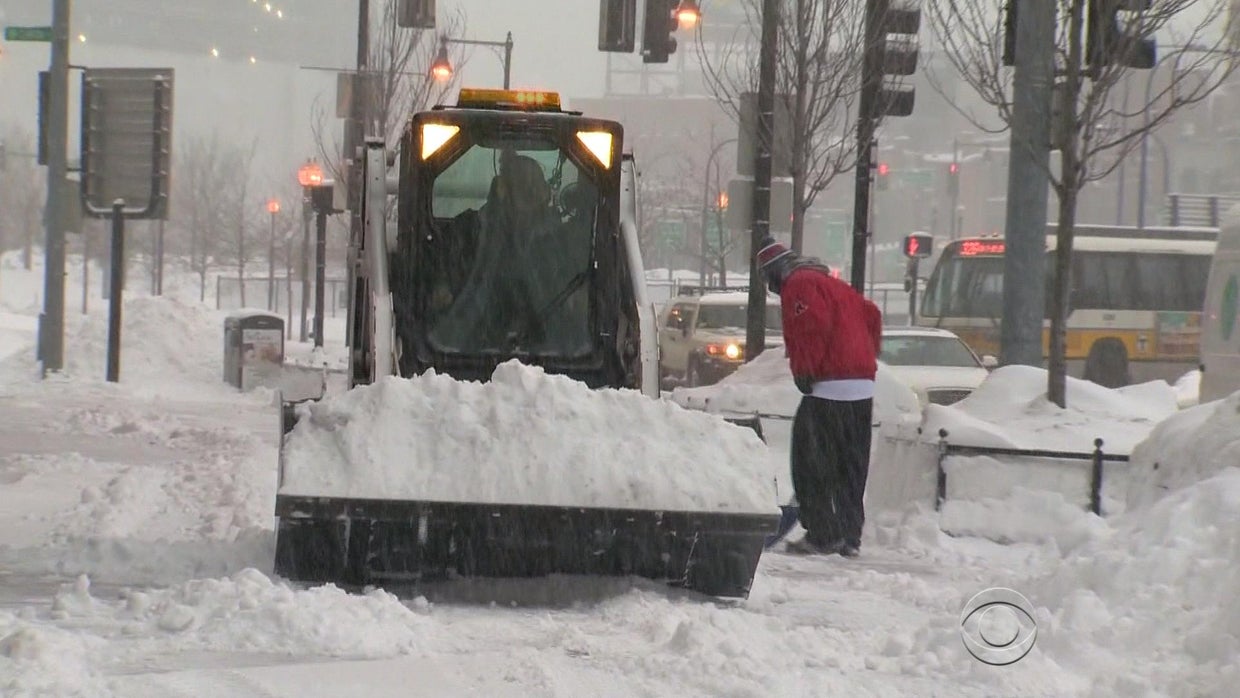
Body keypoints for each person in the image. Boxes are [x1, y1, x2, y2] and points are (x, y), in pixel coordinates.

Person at [756, 237, 882, 557]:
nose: (770, 288)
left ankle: (823, 533)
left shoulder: (798, 285)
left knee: (809, 461)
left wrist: (805, 370)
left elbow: (810, 327)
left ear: (775, 272)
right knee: (850, 464)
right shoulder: (834, 284)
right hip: (862, 387)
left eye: (766, 279)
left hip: (830, 387)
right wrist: (865, 358)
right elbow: (872, 315)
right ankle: (849, 534)